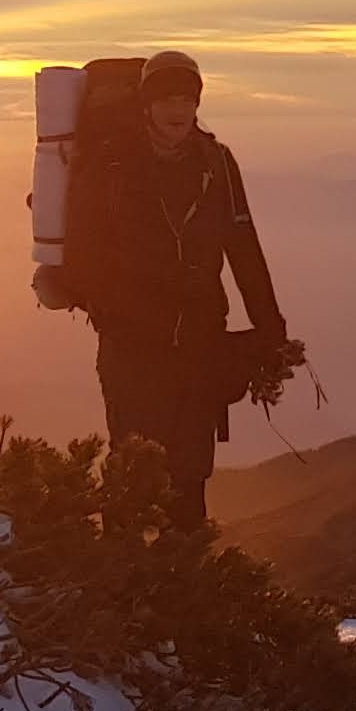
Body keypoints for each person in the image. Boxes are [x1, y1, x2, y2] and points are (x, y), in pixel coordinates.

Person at [64, 49, 294, 530]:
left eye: (187, 99)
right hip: (131, 345)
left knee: (190, 475)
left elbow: (244, 248)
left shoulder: (218, 163)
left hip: (199, 343)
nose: (177, 109)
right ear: (146, 104)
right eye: (166, 98)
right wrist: (137, 302)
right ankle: (122, 570)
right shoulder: (110, 166)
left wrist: (271, 328)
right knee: (133, 471)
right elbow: (85, 254)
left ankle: (185, 570)